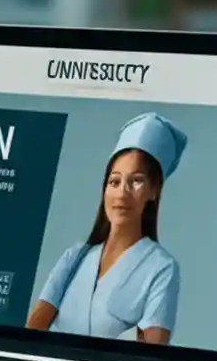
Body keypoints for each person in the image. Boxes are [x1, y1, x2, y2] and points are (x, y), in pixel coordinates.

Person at [27, 113, 187, 344]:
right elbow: (32, 333)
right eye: (115, 181)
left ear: (154, 191)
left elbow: (153, 351)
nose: (122, 193)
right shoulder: (74, 258)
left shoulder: (161, 268)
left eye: (136, 181)